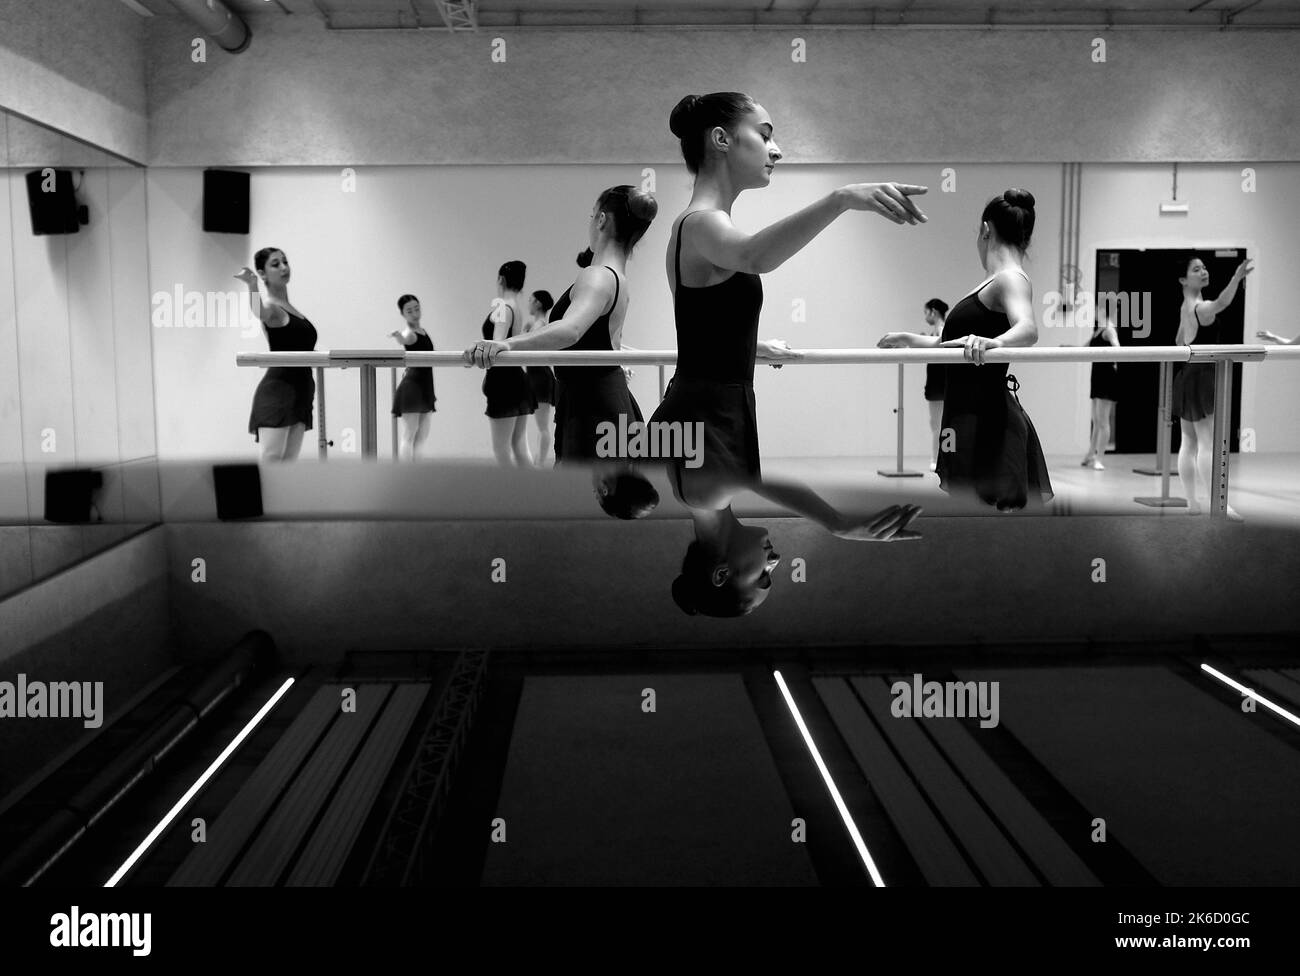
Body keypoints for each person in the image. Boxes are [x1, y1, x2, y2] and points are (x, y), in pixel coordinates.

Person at [655, 91, 925, 614]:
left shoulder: (707, 495)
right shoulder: (702, 224)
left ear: (723, 571)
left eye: (763, 580)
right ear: (721, 142)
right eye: (768, 134)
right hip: (714, 401)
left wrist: (838, 523)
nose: (775, 149)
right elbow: (728, 286)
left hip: (710, 401)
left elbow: (747, 264)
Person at [879, 189, 1053, 511]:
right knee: (972, 522)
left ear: (985, 230)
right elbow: (953, 346)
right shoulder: (990, 282)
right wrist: (909, 339)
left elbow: (1028, 329)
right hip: (966, 416)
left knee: (985, 525)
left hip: (987, 420)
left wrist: (995, 343)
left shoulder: (1010, 279)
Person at [1172, 254, 1253, 517]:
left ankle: (1192, 503)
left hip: (1187, 375)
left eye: (1204, 267)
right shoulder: (1199, 307)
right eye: (1196, 269)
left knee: (1189, 441)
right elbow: (1222, 302)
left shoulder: (1185, 307)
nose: (1204, 271)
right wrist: (1236, 278)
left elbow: (1178, 341)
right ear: (1184, 279)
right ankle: (1217, 505)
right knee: (1206, 443)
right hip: (1201, 375)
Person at [237, 247, 317, 462]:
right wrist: (252, 286)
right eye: (275, 264)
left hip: (302, 391)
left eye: (285, 262)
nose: (284, 267)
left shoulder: (292, 309)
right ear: (263, 274)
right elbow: (259, 312)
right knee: (272, 462)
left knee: (288, 464)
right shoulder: (271, 308)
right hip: (278, 391)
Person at [477, 260, 536, 466]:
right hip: (517, 379)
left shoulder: (502, 305)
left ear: (500, 279)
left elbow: (497, 343)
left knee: (501, 448)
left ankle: (512, 494)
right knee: (520, 445)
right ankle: (531, 493)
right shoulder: (517, 308)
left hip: (503, 383)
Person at [388, 294, 436, 461]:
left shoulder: (421, 331)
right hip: (412, 387)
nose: (415, 313)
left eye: (417, 308)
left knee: (421, 436)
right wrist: (398, 337)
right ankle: (406, 473)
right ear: (402, 314)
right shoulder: (409, 333)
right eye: (409, 311)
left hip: (425, 386)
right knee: (409, 434)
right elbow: (405, 339)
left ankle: (417, 473)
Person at [1082, 309, 1120, 470]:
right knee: (1096, 421)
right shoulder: (1097, 330)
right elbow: (1083, 348)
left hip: (1106, 378)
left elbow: (1117, 347)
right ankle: (1091, 454)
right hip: (1097, 377)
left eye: (1098, 309)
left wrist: (1114, 362)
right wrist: (1066, 348)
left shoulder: (1109, 330)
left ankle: (1099, 458)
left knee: (1103, 421)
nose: (1095, 312)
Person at [523, 290, 557, 466]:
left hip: (540, 378)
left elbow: (527, 349)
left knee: (542, 425)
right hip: (537, 376)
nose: (528, 302)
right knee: (541, 425)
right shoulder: (539, 325)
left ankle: (540, 464)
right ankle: (539, 462)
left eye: (530, 300)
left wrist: (525, 335)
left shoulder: (540, 325)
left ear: (538, 303)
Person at [922, 299, 949, 472]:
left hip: (941, 383)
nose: (925, 316)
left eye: (926, 312)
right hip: (935, 382)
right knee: (935, 424)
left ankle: (940, 459)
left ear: (933, 312)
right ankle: (937, 458)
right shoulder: (933, 333)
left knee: (941, 424)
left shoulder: (943, 330)